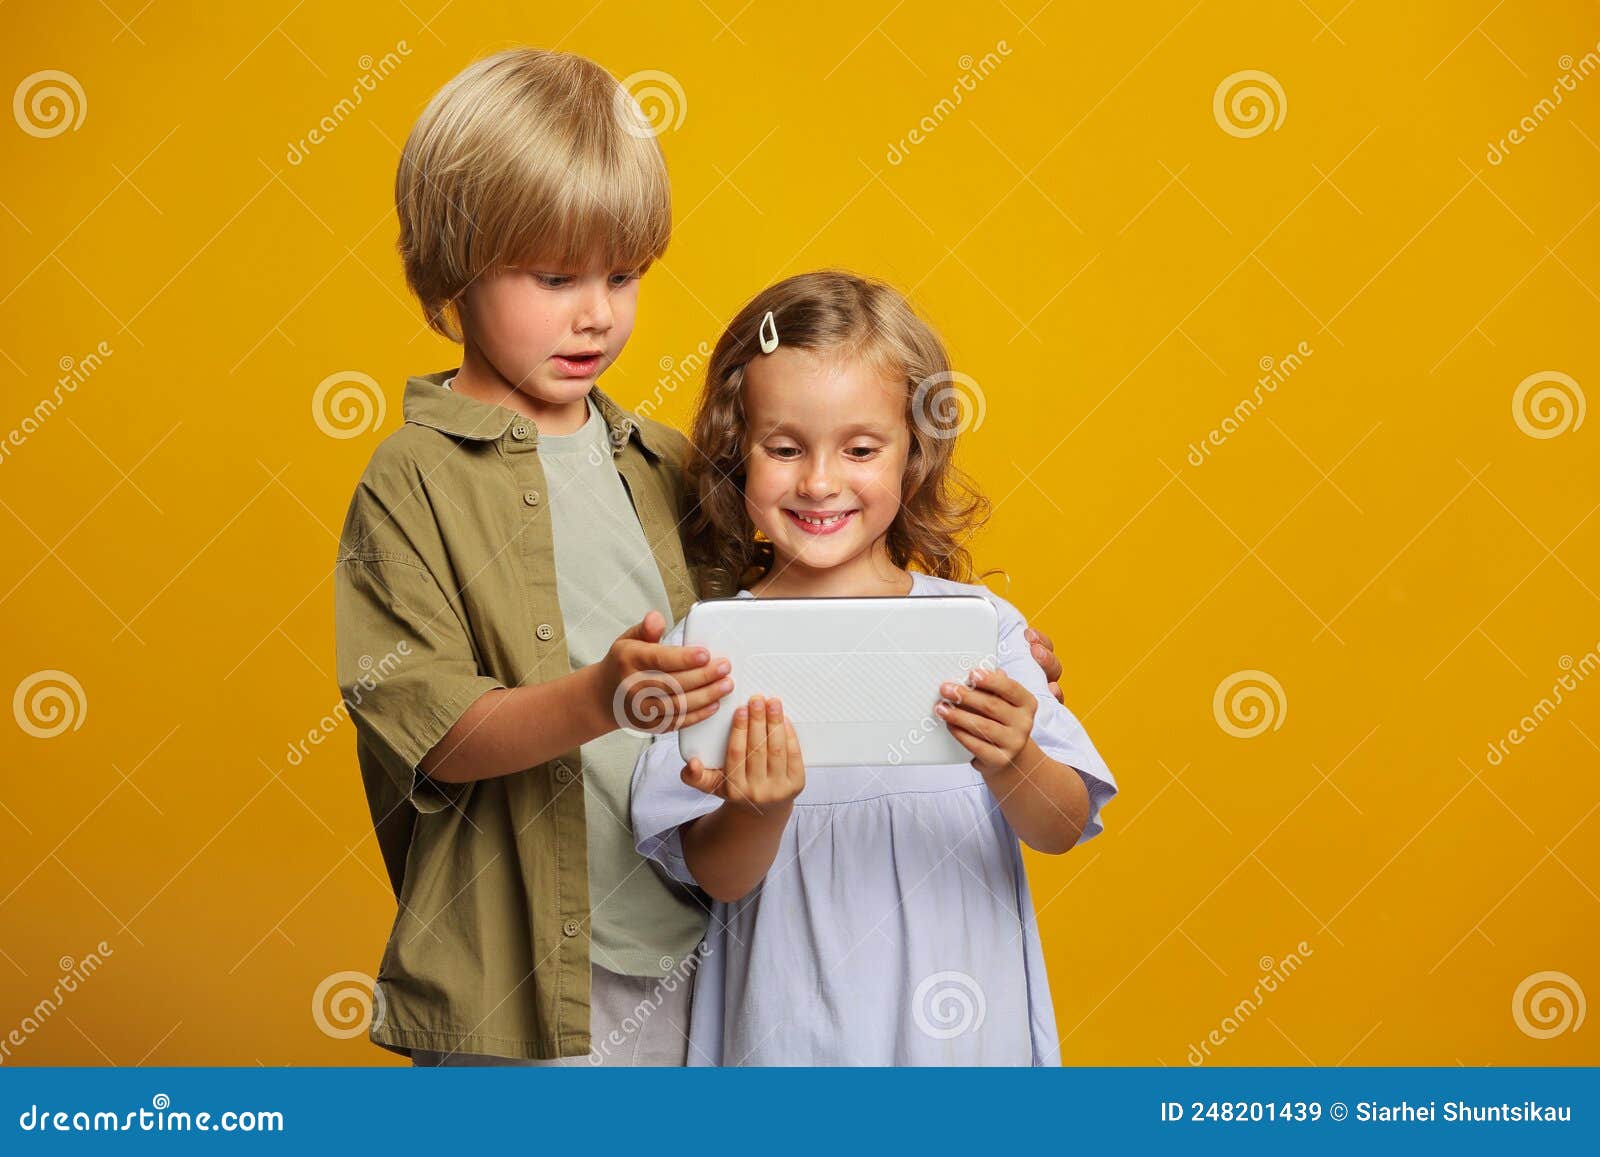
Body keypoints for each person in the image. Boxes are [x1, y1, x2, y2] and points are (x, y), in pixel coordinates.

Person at [631, 270, 1116, 1065]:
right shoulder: (709, 650)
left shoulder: (982, 632)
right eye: (784, 448)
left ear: (913, 455)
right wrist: (758, 809)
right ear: (736, 453)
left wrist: (1015, 760)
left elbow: (1060, 827)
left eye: (860, 448)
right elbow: (714, 875)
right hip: (788, 1047)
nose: (820, 481)